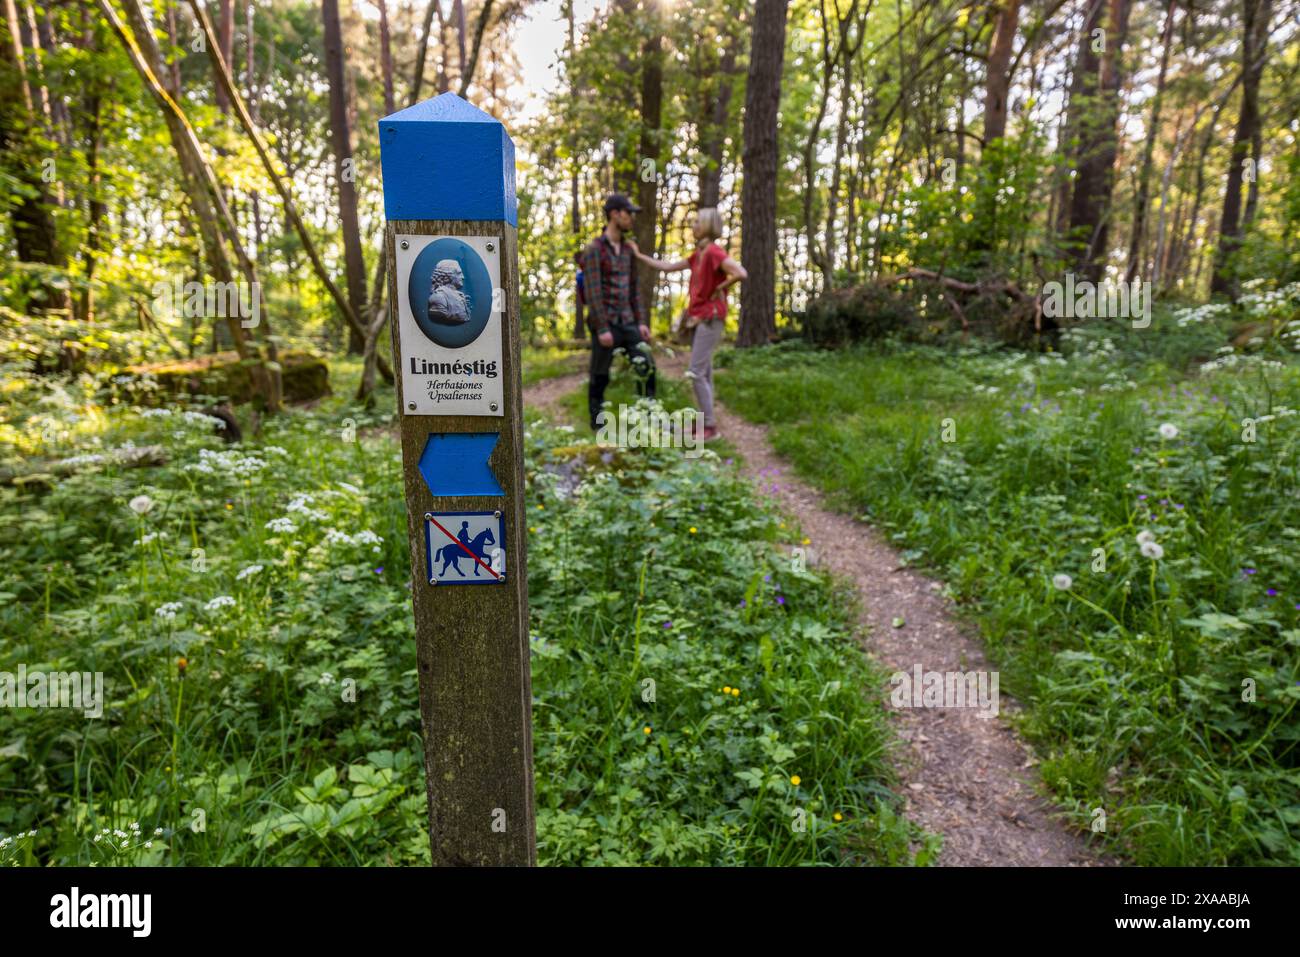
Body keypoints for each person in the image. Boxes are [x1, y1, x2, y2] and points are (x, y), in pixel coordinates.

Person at [627, 207, 746, 442]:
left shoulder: (713, 252)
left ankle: (709, 427)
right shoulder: (698, 254)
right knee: (704, 371)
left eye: (697, 223)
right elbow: (667, 267)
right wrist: (639, 256)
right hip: (700, 318)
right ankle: (705, 420)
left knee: (695, 372)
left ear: (707, 226)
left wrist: (719, 289)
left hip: (710, 317)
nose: (693, 227)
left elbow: (740, 272)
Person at [581, 193, 656, 431]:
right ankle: (597, 422)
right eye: (628, 213)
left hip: (629, 321)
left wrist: (641, 322)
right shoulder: (594, 249)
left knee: (646, 365)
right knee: (600, 374)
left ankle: (647, 415)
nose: (632, 218)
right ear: (615, 214)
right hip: (605, 323)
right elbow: (593, 292)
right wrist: (602, 328)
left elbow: (635, 289)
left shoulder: (628, 250)